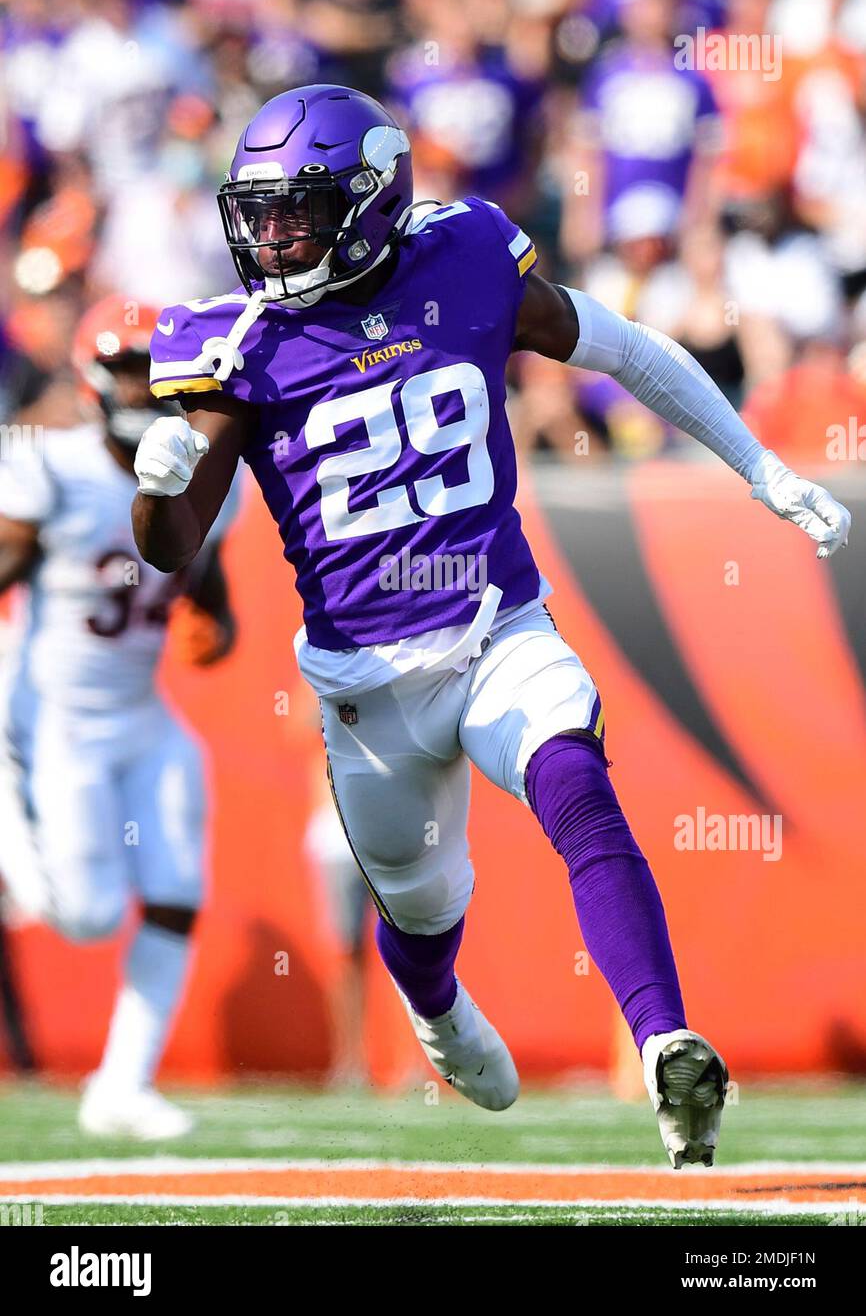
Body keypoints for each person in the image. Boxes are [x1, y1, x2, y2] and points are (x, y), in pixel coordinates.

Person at [132, 85, 850, 1168]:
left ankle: (664, 1043)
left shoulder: (467, 256)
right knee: (422, 913)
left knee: (578, 779)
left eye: (299, 210)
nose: (271, 237)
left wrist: (760, 467)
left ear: (372, 199)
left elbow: (629, 352)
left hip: (494, 624)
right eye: (260, 213)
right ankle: (433, 1010)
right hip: (367, 683)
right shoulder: (238, 343)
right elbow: (173, 544)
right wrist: (158, 486)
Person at [0, 297, 236, 1140]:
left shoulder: (208, 475)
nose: (140, 390)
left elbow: (202, 577)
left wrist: (219, 623)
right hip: (53, 715)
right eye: (126, 371)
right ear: (92, 380)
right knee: (90, 914)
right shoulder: (50, 465)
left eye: (152, 372)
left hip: (140, 712)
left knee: (176, 885)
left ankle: (121, 1086)